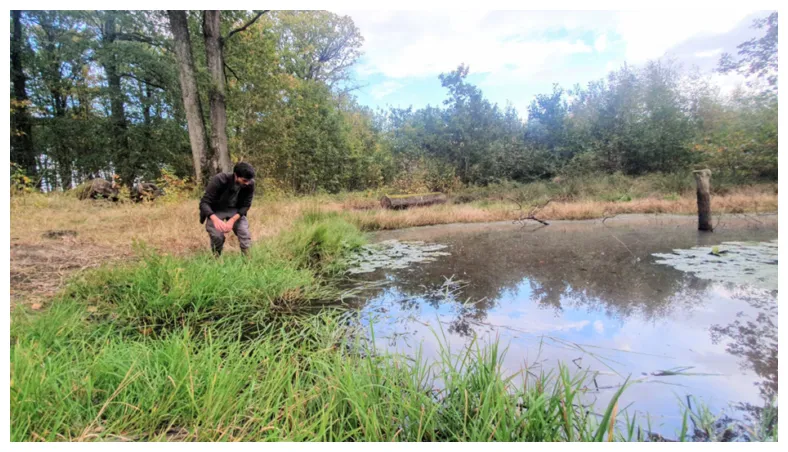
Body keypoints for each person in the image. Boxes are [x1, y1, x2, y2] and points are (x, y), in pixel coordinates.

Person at [199, 162, 256, 256]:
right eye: (244, 180)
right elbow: (204, 203)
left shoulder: (250, 183)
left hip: (235, 211)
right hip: (216, 210)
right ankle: (216, 257)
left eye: (249, 181)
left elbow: (246, 205)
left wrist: (232, 220)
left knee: (244, 233)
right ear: (236, 175)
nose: (247, 183)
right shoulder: (219, 179)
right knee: (217, 236)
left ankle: (248, 260)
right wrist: (214, 219)